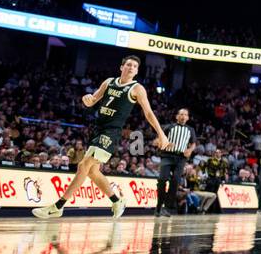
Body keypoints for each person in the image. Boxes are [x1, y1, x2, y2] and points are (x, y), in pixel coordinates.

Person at [33, 55, 168, 219]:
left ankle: (58, 206)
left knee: (83, 165)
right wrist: (87, 99)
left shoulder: (137, 88)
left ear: (137, 71)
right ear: (121, 67)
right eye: (128, 65)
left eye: (134, 66)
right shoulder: (109, 82)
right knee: (92, 172)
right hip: (97, 128)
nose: (131, 67)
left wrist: (161, 135)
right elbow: (92, 101)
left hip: (111, 132)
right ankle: (117, 201)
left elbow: (148, 113)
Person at [155, 107, 195, 217]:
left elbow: (193, 143)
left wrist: (190, 150)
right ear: (177, 116)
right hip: (167, 155)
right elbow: (157, 141)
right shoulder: (168, 127)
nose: (183, 116)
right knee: (162, 180)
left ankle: (167, 207)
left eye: (185, 115)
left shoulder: (190, 130)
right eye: (181, 114)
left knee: (176, 181)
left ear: (187, 118)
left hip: (181, 158)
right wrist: (163, 143)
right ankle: (159, 206)